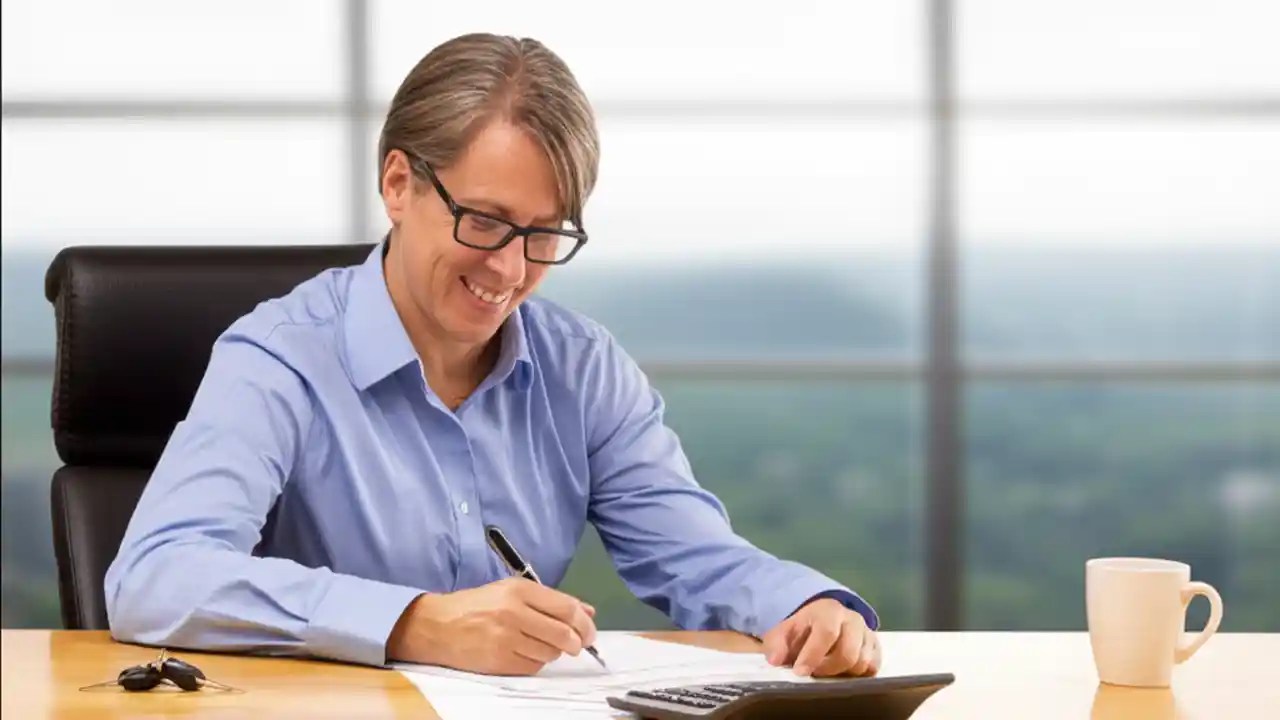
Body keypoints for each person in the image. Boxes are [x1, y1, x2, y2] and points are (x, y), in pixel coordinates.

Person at [104, 32, 881, 678]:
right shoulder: (279, 358)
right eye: (484, 220)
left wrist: (805, 606)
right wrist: (415, 623)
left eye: (546, 234)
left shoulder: (583, 369)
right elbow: (154, 578)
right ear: (400, 183)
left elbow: (700, 557)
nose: (510, 271)